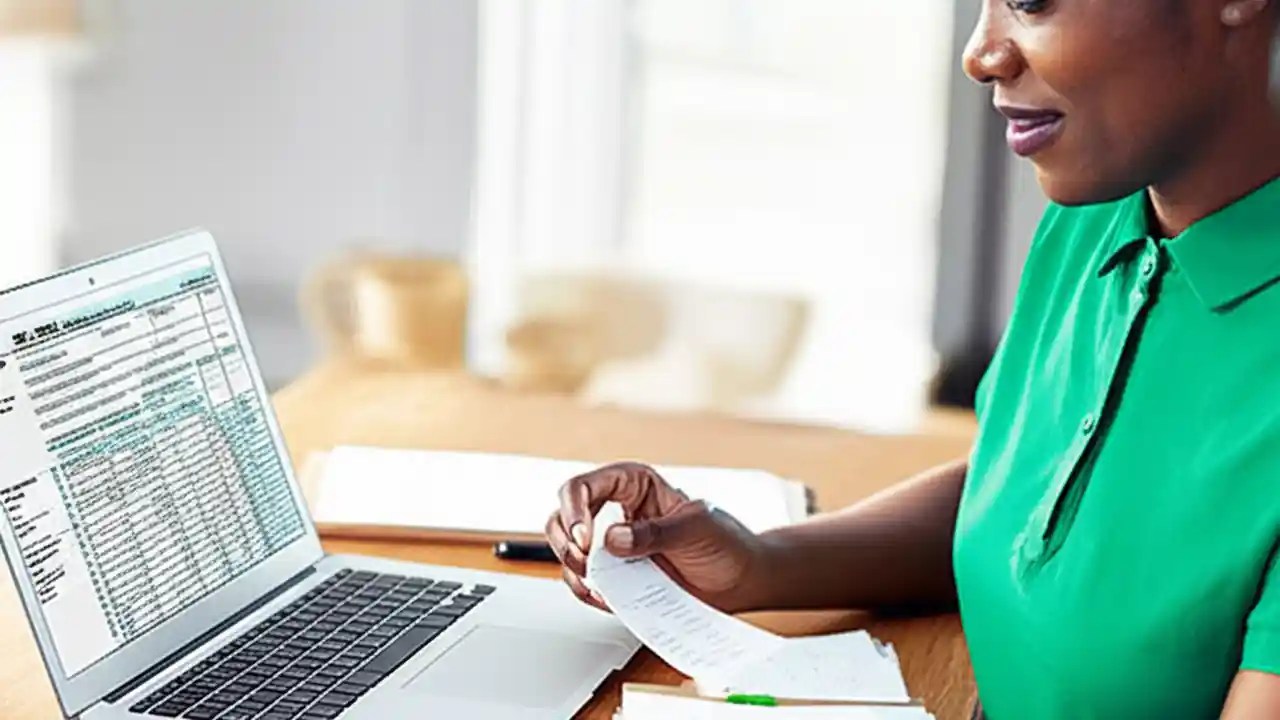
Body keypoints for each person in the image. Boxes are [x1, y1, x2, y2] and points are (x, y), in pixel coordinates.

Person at [546, 0, 1280, 717]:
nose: (981, 51)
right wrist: (757, 564)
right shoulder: (1092, 223)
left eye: (1029, 2)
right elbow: (1023, 490)